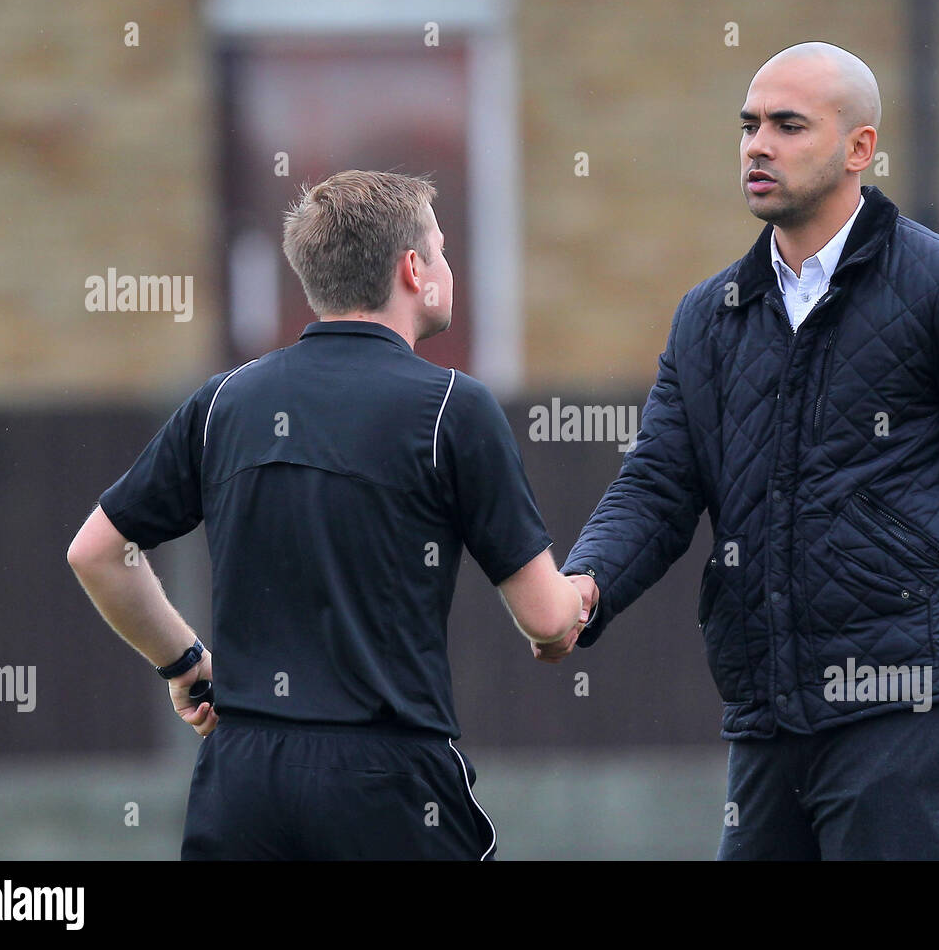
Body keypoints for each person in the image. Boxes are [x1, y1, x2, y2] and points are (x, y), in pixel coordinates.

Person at [551, 43, 939, 859]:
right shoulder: (710, 317)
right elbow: (656, 483)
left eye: (788, 125)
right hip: (767, 719)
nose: (758, 144)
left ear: (859, 149)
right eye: (749, 125)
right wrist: (583, 586)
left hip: (908, 711)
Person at [67, 169, 585, 860]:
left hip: (241, 782)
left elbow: (97, 552)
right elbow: (547, 618)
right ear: (412, 269)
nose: (448, 265)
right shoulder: (452, 410)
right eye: (442, 249)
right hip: (387, 784)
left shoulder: (224, 402)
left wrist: (186, 662)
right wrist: (585, 592)